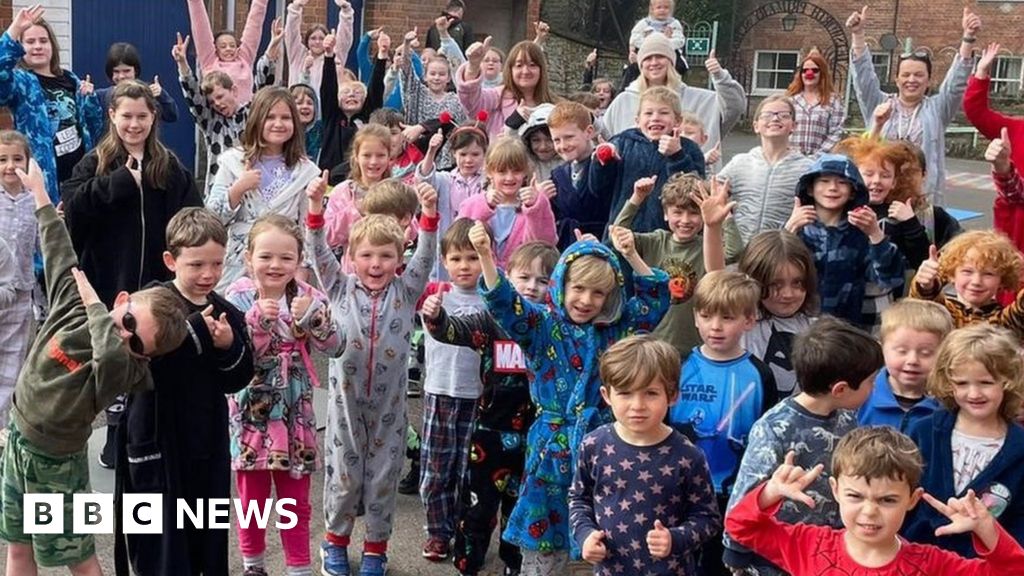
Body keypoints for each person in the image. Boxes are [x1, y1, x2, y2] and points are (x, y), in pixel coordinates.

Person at [0, 159, 188, 576]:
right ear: (121, 300)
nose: (125, 337)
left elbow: (108, 352)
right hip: (18, 442)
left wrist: (97, 310)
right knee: (17, 547)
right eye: (128, 323)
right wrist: (40, 197)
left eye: (139, 343)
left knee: (79, 557)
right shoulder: (74, 307)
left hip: (57, 464)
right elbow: (57, 247)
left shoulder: (126, 370)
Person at [473, 221, 670, 575]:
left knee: (606, 537)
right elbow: (504, 304)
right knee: (545, 547)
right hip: (552, 448)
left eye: (598, 293)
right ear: (561, 283)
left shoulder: (617, 329)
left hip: (605, 448)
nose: (586, 300)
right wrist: (486, 256)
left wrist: (631, 255)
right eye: (579, 288)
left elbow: (655, 300)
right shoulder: (543, 326)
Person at [61, 79, 203, 469]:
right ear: (112, 116)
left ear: (154, 116)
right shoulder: (96, 163)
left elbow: (191, 216)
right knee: (115, 359)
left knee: (157, 360)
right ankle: (115, 433)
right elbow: (73, 206)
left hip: (158, 284)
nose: (134, 124)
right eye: (127, 116)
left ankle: (154, 436)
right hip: (110, 280)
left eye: (142, 116)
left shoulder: (169, 166)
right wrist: (122, 183)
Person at [307, 175, 439, 576]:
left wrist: (430, 214)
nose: (376, 264)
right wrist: (315, 208)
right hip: (346, 406)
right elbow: (316, 252)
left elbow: (427, 255)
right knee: (344, 478)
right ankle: (334, 543)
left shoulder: (406, 289)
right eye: (366, 255)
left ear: (399, 259)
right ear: (351, 257)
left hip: (389, 407)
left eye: (385, 255)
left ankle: (375, 550)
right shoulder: (339, 287)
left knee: (383, 478)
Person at [113, 208, 254, 576]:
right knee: (159, 541)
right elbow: (137, 361)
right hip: (156, 439)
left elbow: (238, 378)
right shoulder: (150, 303)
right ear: (170, 260)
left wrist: (228, 347)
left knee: (205, 535)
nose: (208, 274)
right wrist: (194, 332)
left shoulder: (225, 312)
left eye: (217, 264)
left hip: (204, 443)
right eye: (196, 265)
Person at [422, 240, 557, 576]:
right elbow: (454, 331)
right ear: (506, 277)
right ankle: (469, 560)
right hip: (490, 434)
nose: (532, 286)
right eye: (524, 277)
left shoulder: (554, 328)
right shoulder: (489, 319)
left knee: (520, 507)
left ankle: (514, 562)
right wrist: (437, 318)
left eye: (543, 280)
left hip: (535, 435)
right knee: (479, 506)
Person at [726, 426, 1024, 574]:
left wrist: (987, 529)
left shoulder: (931, 564)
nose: (869, 511)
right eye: (855, 496)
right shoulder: (807, 544)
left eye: (887, 500)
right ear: (835, 490)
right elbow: (740, 527)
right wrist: (769, 493)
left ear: (912, 499)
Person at [226, 215, 343, 576]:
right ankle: (253, 564)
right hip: (251, 410)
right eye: (266, 256)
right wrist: (256, 322)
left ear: (298, 260)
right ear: (249, 258)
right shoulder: (237, 296)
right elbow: (235, 354)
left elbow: (335, 347)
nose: (275, 265)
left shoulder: (309, 297)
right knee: (252, 497)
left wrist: (315, 320)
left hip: (295, 410)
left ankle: (298, 566)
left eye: (286, 257)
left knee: (295, 497)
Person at [722, 317, 882, 575]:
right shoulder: (775, 428)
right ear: (841, 389)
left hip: (827, 554)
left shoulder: (847, 420)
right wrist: (736, 552)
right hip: (774, 556)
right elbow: (746, 494)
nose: (874, 389)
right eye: (871, 382)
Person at [570, 334, 721, 576]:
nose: (638, 405)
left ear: (672, 396)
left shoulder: (688, 455)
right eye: (625, 393)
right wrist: (585, 535)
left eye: (651, 393)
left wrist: (676, 538)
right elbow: (579, 499)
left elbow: (708, 517)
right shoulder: (593, 445)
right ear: (607, 395)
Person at [670, 271, 776, 576]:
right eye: (707, 316)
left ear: (749, 320)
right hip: (679, 487)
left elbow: (764, 437)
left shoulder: (759, 374)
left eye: (727, 318)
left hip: (729, 491)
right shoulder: (679, 366)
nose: (715, 326)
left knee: (717, 566)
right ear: (695, 318)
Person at [905, 324, 1024, 556]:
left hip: (979, 567)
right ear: (948, 382)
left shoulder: (1020, 449)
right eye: (962, 383)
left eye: (986, 383)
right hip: (914, 559)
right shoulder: (923, 430)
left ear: (1008, 381)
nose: (974, 393)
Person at [847, 5, 980, 205]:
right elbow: (863, 78)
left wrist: (968, 38)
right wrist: (858, 34)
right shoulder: (880, 104)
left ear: (928, 81)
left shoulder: (937, 109)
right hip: (880, 191)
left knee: (918, 235)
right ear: (897, 79)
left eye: (919, 75)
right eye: (906, 74)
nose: (912, 80)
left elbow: (956, 84)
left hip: (922, 195)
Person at [416, 218, 487, 562]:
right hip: (439, 393)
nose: (464, 266)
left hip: (478, 397)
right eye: (456, 258)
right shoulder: (435, 294)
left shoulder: (493, 299)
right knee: (436, 470)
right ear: (444, 260)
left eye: (472, 258)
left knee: (467, 472)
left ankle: (463, 530)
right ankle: (437, 533)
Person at [206, 87, 321, 291]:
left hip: (282, 268)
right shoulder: (233, 161)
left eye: (285, 117)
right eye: (270, 117)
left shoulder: (306, 171)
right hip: (237, 266)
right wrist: (238, 189)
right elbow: (211, 219)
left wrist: (301, 273)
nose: (278, 124)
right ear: (257, 120)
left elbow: (307, 229)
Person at [616, 173, 740, 357]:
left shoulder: (706, 245)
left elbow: (734, 251)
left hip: (693, 345)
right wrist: (637, 197)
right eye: (678, 212)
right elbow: (618, 233)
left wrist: (724, 216)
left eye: (694, 213)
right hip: (654, 342)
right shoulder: (656, 240)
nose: (685, 220)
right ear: (666, 214)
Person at [784, 153, 905, 329]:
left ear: (852, 192)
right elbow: (766, 271)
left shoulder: (861, 233)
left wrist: (876, 235)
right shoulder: (797, 230)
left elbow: (890, 280)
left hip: (847, 330)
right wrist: (789, 231)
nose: (832, 188)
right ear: (810, 188)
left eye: (842, 182)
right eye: (824, 181)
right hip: (797, 325)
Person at [0, 5, 104, 203]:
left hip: (80, 181)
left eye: (43, 41)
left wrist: (90, 102)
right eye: (30, 42)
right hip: (44, 186)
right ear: (20, 49)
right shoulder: (20, 83)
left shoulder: (71, 80)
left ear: (52, 46)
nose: (38, 46)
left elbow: (95, 129)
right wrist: (14, 31)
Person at [601, 34, 745, 171]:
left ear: (671, 62)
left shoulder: (702, 100)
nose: (654, 62)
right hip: (634, 188)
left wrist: (720, 77)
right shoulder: (623, 101)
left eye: (660, 56)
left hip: (689, 185)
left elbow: (735, 106)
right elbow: (604, 137)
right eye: (648, 58)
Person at [592, 85, 706, 235]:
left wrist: (677, 156)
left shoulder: (688, 149)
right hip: (623, 231)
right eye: (648, 113)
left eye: (664, 113)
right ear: (637, 120)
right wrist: (603, 163)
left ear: (678, 121)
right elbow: (597, 189)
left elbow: (694, 192)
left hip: (668, 238)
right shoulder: (622, 142)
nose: (655, 117)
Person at [173, 31, 278, 190]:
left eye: (220, 96)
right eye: (212, 101)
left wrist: (272, 47)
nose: (217, 103)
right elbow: (193, 95)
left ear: (234, 91)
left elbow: (264, 85)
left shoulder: (252, 113)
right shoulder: (210, 121)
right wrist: (182, 63)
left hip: (254, 187)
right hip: (220, 188)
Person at [735, 231, 818, 399]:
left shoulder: (813, 326)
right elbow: (716, 275)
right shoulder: (745, 318)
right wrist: (712, 227)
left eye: (797, 282)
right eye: (775, 284)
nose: (787, 294)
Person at [720, 95, 813, 243]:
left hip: (782, 252)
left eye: (783, 115)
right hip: (741, 250)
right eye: (767, 115)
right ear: (756, 126)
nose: (775, 119)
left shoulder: (807, 168)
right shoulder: (739, 163)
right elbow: (712, 194)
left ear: (794, 125)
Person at [457, 137, 557, 270]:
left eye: (516, 171)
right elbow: (459, 241)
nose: (509, 177)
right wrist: (484, 206)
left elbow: (544, 246)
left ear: (525, 172)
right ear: (490, 172)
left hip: (521, 282)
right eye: (502, 171)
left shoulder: (536, 204)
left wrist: (535, 208)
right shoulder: (472, 204)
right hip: (479, 281)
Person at [858, 299, 952, 431]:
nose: (912, 360)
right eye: (902, 351)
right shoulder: (861, 396)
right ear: (881, 349)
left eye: (926, 353)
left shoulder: (948, 404)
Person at [910, 230, 1024, 337]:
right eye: (967, 271)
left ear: (1002, 280)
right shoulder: (943, 313)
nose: (976, 282)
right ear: (952, 275)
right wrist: (927, 284)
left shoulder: (1004, 322)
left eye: (988, 274)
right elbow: (921, 305)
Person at [0, 130, 35, 431]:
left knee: (13, 363)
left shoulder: (34, 199)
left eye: (17, 159)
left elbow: (40, 244)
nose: (10, 166)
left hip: (22, 291)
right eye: (2, 159)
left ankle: (4, 428)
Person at [318, 28, 386, 179]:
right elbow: (328, 89)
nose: (351, 95)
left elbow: (376, 89)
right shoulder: (332, 117)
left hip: (361, 177)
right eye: (346, 93)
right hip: (330, 178)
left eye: (357, 93)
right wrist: (329, 56)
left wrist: (381, 56)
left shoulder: (368, 118)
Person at [456, 39, 556, 140]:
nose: (525, 71)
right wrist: (473, 67)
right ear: (510, 69)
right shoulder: (497, 96)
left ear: (541, 69)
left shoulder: (555, 105)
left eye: (532, 65)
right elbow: (471, 103)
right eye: (519, 65)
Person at [323, 125, 397, 254]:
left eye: (380, 155)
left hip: (388, 267)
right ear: (356, 156)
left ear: (389, 157)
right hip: (352, 269)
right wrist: (355, 210)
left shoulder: (397, 191)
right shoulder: (343, 191)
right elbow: (327, 236)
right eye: (367, 155)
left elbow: (412, 230)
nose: (373, 162)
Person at [185, 0, 269, 105]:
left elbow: (254, 24)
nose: (228, 49)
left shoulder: (244, 59)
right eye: (223, 46)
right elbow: (200, 25)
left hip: (245, 117)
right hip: (216, 117)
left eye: (232, 46)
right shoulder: (210, 62)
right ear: (216, 50)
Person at [548, 101, 606, 250]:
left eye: (569, 137)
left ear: (588, 132)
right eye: (556, 140)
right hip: (567, 247)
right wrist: (540, 200)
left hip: (602, 244)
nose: (563, 145)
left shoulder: (606, 164)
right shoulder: (558, 176)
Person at [96, 42, 178, 125]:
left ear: (135, 71)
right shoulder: (100, 96)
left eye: (126, 71)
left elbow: (171, 116)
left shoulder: (148, 93)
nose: (121, 76)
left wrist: (161, 95)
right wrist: (88, 97)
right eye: (116, 71)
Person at [285, 0, 353, 94]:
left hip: (325, 106)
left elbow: (344, 39)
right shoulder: (298, 55)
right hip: (298, 104)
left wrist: (346, 11)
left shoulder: (334, 58)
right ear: (307, 40)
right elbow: (291, 34)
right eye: (313, 38)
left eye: (321, 38)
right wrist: (295, 8)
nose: (317, 42)